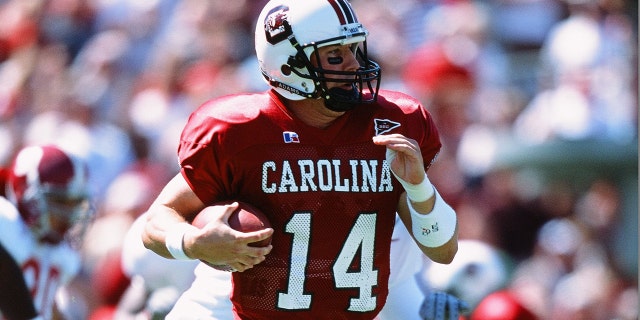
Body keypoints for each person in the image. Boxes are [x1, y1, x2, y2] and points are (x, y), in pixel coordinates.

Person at [141, 0, 459, 318]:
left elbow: (443, 250)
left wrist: (418, 186)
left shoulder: (391, 125)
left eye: (354, 49)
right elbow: (157, 222)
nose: (354, 64)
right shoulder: (239, 131)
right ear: (290, 64)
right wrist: (193, 242)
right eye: (336, 55)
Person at [0, 144, 94, 320]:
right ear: (25, 193)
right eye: (59, 202)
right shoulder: (5, 224)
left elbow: (45, 304)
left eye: (74, 205)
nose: (68, 215)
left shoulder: (62, 255)